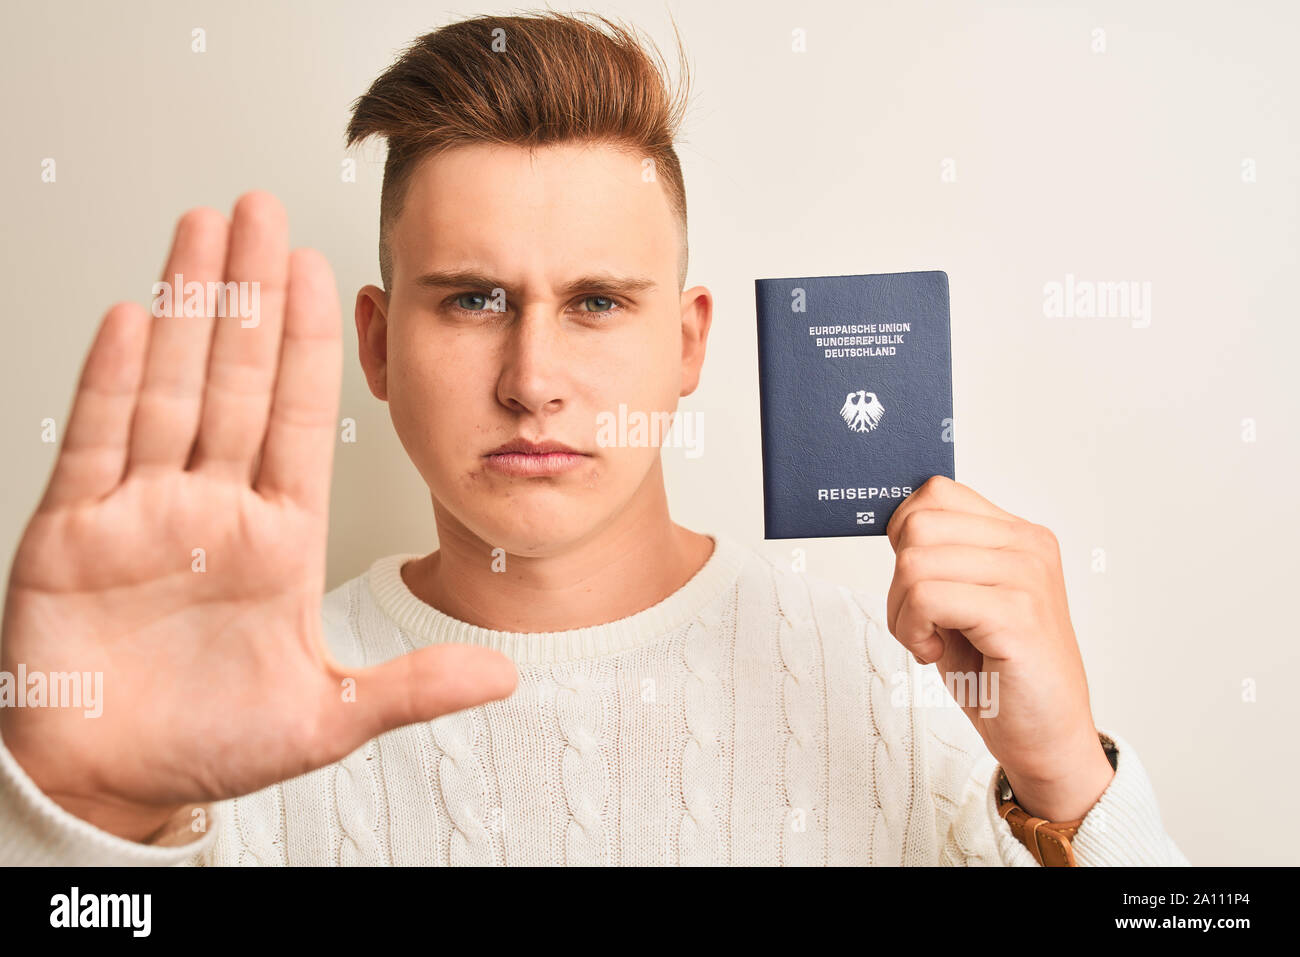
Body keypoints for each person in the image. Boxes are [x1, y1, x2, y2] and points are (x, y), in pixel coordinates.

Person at [0, 11, 1186, 866]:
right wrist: (88, 820)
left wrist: (1072, 783)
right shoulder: (235, 702)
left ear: (687, 344)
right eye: (472, 299)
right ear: (375, 342)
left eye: (597, 302)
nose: (532, 383)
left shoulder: (906, 682)